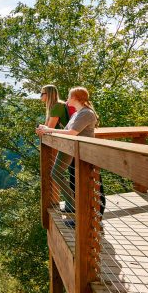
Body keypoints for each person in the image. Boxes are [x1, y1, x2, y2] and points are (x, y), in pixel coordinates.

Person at [37, 87, 105, 221]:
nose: (66, 99)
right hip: (73, 149)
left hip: (85, 154)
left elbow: (72, 133)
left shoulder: (87, 113)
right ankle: (73, 206)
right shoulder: (76, 114)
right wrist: (46, 129)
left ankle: (89, 219)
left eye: (69, 96)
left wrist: (48, 130)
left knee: (87, 186)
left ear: (74, 98)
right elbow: (67, 130)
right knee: (56, 173)